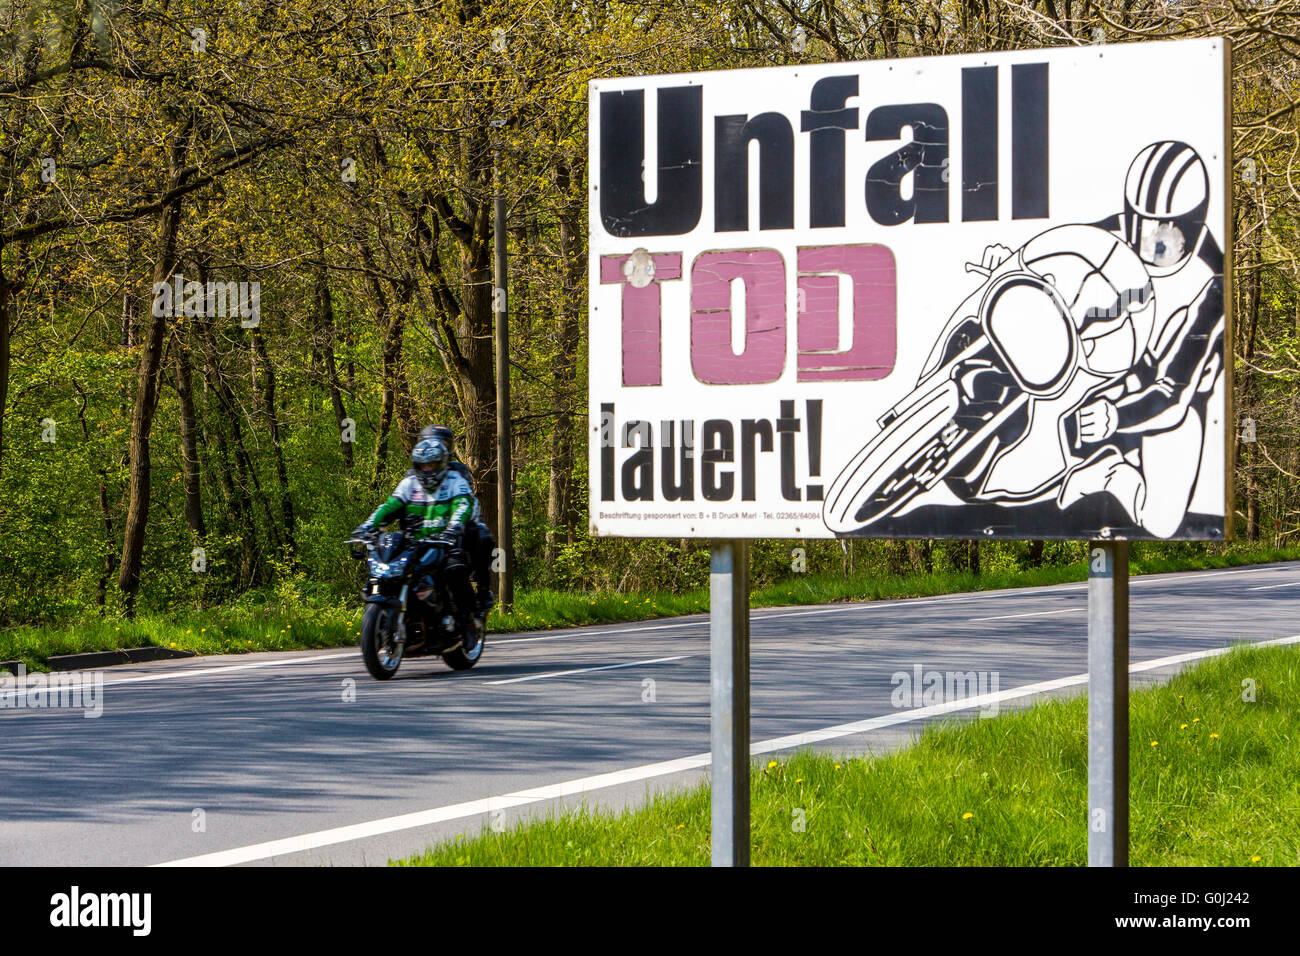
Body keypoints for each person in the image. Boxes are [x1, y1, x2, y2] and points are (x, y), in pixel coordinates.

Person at [352, 438, 479, 635]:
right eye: (423, 465)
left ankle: (467, 621)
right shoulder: (409, 483)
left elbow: (463, 505)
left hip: (444, 542)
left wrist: (454, 527)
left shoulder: (455, 482)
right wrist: (367, 527)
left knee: (455, 568)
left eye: (432, 464)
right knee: (388, 572)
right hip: (412, 543)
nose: (427, 469)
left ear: (442, 463)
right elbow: (389, 506)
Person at [417, 423, 497, 616]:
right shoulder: (415, 473)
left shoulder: (458, 472)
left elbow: (464, 500)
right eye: (433, 444)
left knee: (481, 538)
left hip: (454, 530)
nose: (438, 450)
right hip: (424, 531)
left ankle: (483, 592)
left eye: (443, 445)